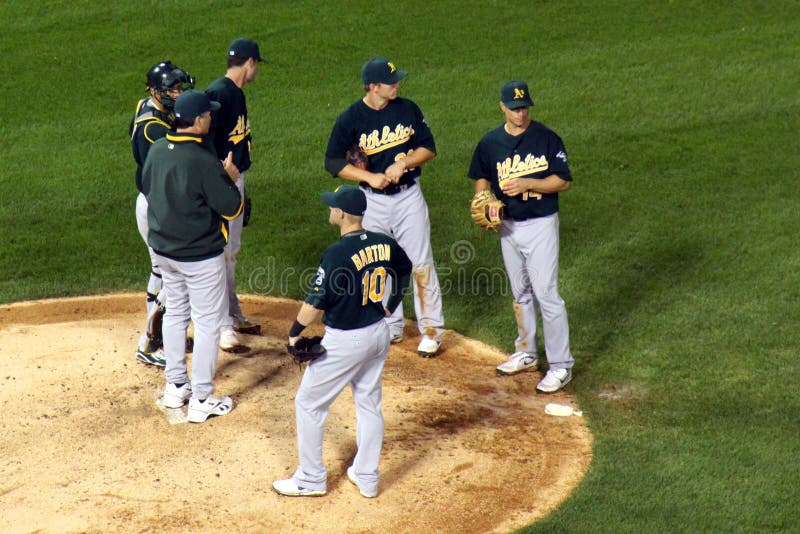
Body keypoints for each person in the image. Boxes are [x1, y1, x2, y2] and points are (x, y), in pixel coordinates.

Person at [272, 185, 412, 498]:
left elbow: (316, 301)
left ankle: (310, 479)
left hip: (346, 342)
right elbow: (404, 268)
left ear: (342, 214)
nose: (330, 210)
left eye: (333, 207)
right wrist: (392, 301)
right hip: (378, 333)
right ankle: (366, 476)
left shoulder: (336, 253)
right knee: (369, 403)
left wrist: (294, 332)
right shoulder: (382, 242)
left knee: (308, 403)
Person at [324, 56, 444, 357]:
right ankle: (390, 323)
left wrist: (404, 161)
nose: (397, 84)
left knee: (420, 263)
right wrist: (369, 177)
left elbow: (428, 148)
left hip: (408, 198)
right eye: (391, 82)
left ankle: (431, 331)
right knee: (380, 262)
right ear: (373, 87)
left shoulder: (407, 109)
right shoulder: (351, 117)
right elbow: (333, 162)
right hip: (373, 202)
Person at [467, 80, 575, 393]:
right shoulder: (489, 143)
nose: (520, 112)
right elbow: (481, 178)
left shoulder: (546, 138)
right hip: (508, 227)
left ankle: (560, 366)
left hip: (540, 224)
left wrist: (529, 183)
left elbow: (563, 181)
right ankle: (527, 352)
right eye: (514, 108)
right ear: (502, 106)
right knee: (520, 293)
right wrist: (484, 203)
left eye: (524, 106)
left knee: (547, 295)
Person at [142, 90, 243, 422]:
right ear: (198, 120)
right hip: (199, 256)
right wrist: (228, 179)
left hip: (165, 252)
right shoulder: (202, 160)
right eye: (208, 115)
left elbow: (147, 187)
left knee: (175, 315)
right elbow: (231, 207)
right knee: (209, 323)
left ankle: (175, 387)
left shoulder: (157, 150)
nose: (211, 118)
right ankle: (201, 397)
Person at [129, 60, 194, 366]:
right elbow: (175, 161)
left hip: (158, 203)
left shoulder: (151, 106)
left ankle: (166, 334)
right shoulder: (152, 128)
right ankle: (151, 343)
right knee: (173, 274)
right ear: (155, 91)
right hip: (159, 207)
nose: (178, 93)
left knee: (161, 270)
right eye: (173, 88)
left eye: (181, 87)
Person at [205, 38, 267, 351]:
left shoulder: (235, 93)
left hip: (234, 182)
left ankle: (231, 311)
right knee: (220, 253)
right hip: (220, 185)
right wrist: (221, 172)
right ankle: (221, 325)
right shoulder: (219, 93)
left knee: (231, 251)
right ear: (250, 63)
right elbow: (200, 140)